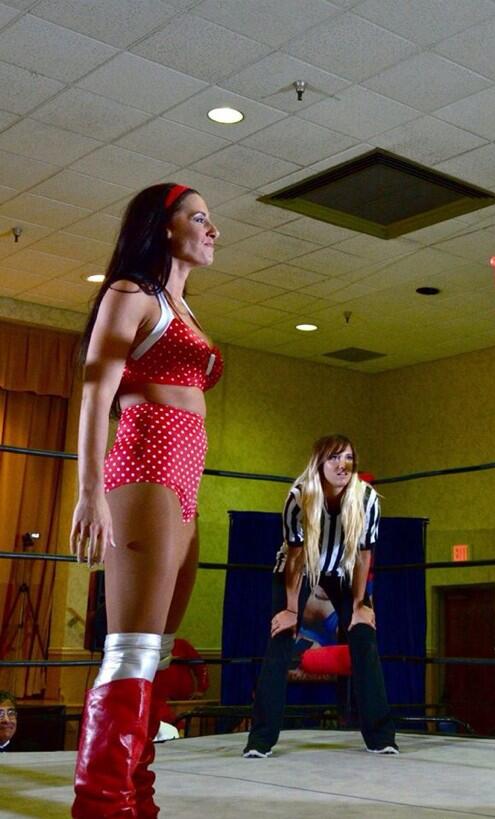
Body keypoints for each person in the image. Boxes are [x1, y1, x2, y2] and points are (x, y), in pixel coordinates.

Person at [70, 183, 221, 817]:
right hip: (145, 466)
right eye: (199, 218)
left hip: (186, 479)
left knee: (156, 651)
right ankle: (101, 806)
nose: (213, 230)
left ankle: (137, 800)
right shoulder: (130, 294)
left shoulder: (183, 307)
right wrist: (89, 492)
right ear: (163, 227)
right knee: (131, 647)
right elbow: (96, 391)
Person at [243, 434, 397, 758]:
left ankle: (381, 737)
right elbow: (296, 557)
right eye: (334, 458)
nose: (343, 465)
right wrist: (290, 610)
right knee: (281, 640)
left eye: (348, 457)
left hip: (344, 571)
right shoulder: (300, 498)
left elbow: (364, 555)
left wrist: (360, 605)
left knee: (364, 638)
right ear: (319, 464)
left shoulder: (366, 499)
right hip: (301, 568)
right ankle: (260, 740)